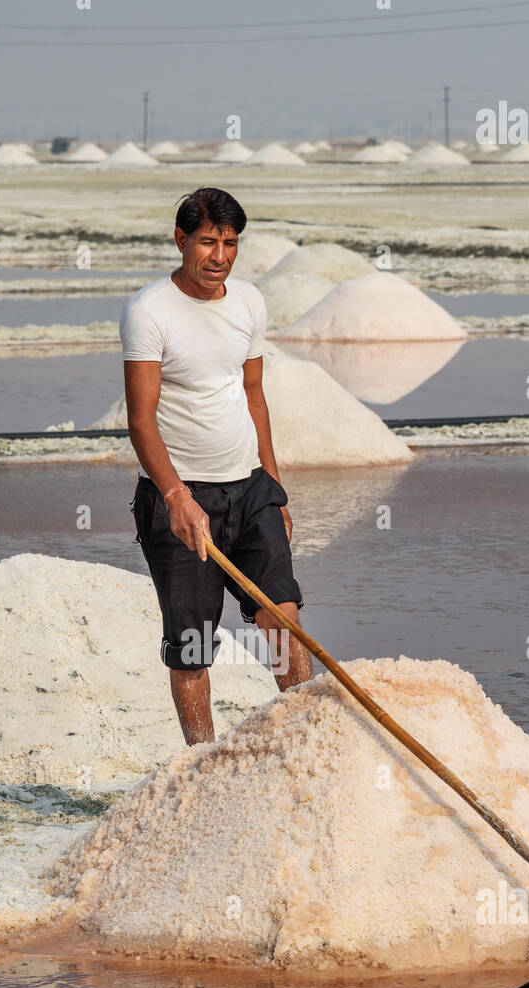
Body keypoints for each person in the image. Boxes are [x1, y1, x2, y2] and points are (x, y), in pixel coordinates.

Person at [121, 186, 312, 745]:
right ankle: (201, 762)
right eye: (208, 242)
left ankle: (304, 743)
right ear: (181, 240)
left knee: (283, 621)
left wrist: (274, 487)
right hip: (179, 497)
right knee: (192, 646)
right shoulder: (149, 311)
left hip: (250, 490)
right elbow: (140, 420)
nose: (220, 256)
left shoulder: (249, 302)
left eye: (230, 243)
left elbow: (254, 394)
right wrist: (176, 496)